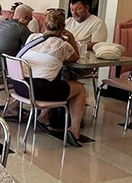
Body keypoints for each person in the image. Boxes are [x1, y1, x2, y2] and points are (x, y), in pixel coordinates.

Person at [14, 8, 86, 147]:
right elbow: (75, 58)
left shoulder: (32, 38)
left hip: (20, 85)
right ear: (63, 28)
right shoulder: (63, 45)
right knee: (80, 89)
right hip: (38, 91)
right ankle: (74, 129)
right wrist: (71, 38)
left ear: (44, 25)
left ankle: (43, 116)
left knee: (52, 79)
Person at [0, 4, 34, 82]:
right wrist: (25, 27)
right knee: (31, 77)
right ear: (26, 18)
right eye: (31, 19)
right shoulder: (22, 28)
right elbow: (32, 44)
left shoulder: (2, 22)